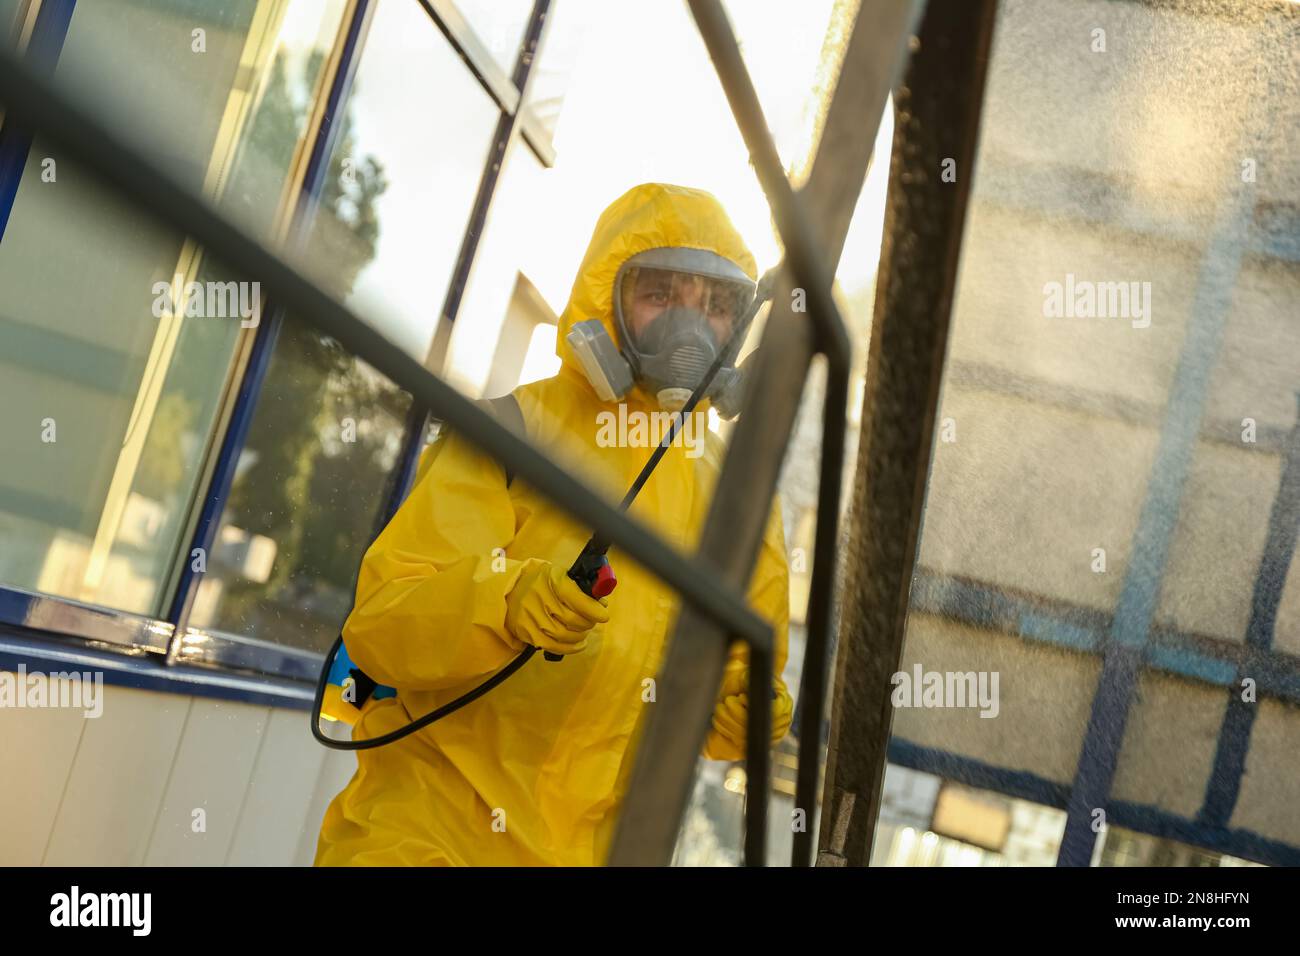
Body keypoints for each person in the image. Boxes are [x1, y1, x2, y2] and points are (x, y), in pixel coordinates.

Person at [314, 182, 793, 867]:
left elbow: (718, 715)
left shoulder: (742, 501)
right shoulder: (513, 431)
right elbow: (383, 628)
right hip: (428, 826)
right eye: (660, 295)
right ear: (608, 297)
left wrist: (742, 719)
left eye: (716, 306)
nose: (689, 330)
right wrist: (506, 602)